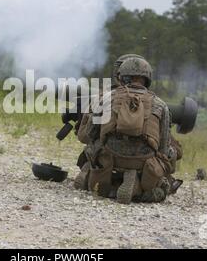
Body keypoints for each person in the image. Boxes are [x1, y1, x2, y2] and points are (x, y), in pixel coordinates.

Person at [75, 55, 182, 203]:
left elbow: (90, 134)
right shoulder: (160, 104)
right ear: (147, 79)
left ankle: (89, 173)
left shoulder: (107, 98)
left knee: (94, 145)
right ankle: (137, 187)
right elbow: (163, 146)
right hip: (143, 162)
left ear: (123, 77)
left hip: (110, 157)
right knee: (167, 165)